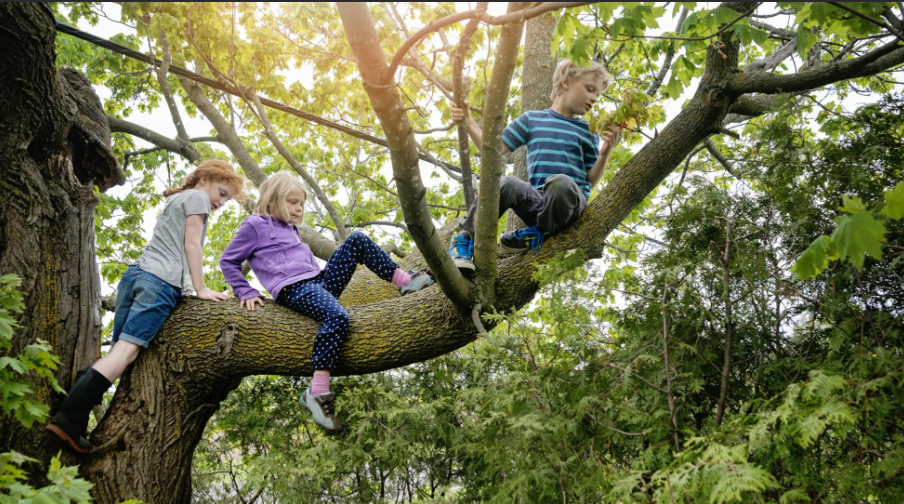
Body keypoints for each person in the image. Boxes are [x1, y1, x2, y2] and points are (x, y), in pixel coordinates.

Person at [46, 160, 244, 453]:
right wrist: (199, 289)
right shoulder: (199, 198)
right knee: (127, 353)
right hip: (159, 282)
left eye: (227, 199)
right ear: (207, 179)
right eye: (223, 193)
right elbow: (192, 245)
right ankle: (68, 418)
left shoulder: (177, 198)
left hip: (135, 276)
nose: (222, 202)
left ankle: (76, 396)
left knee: (117, 353)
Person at [220, 172, 433, 430]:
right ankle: (317, 392)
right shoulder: (254, 225)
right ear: (273, 199)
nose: (299, 208)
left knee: (356, 240)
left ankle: (404, 281)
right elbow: (228, 260)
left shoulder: (291, 229)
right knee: (338, 316)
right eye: (293, 202)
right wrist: (245, 290)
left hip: (318, 281)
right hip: (293, 289)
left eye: (301, 203)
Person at [449, 60, 621, 272]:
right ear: (566, 82)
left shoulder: (588, 130)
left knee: (561, 183)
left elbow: (590, 180)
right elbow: (492, 150)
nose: (594, 98)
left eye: (598, 95)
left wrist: (604, 153)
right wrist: (468, 121)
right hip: (539, 204)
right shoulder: (532, 120)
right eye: (590, 89)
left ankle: (539, 231)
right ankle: (464, 239)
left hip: (570, 205)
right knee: (505, 183)